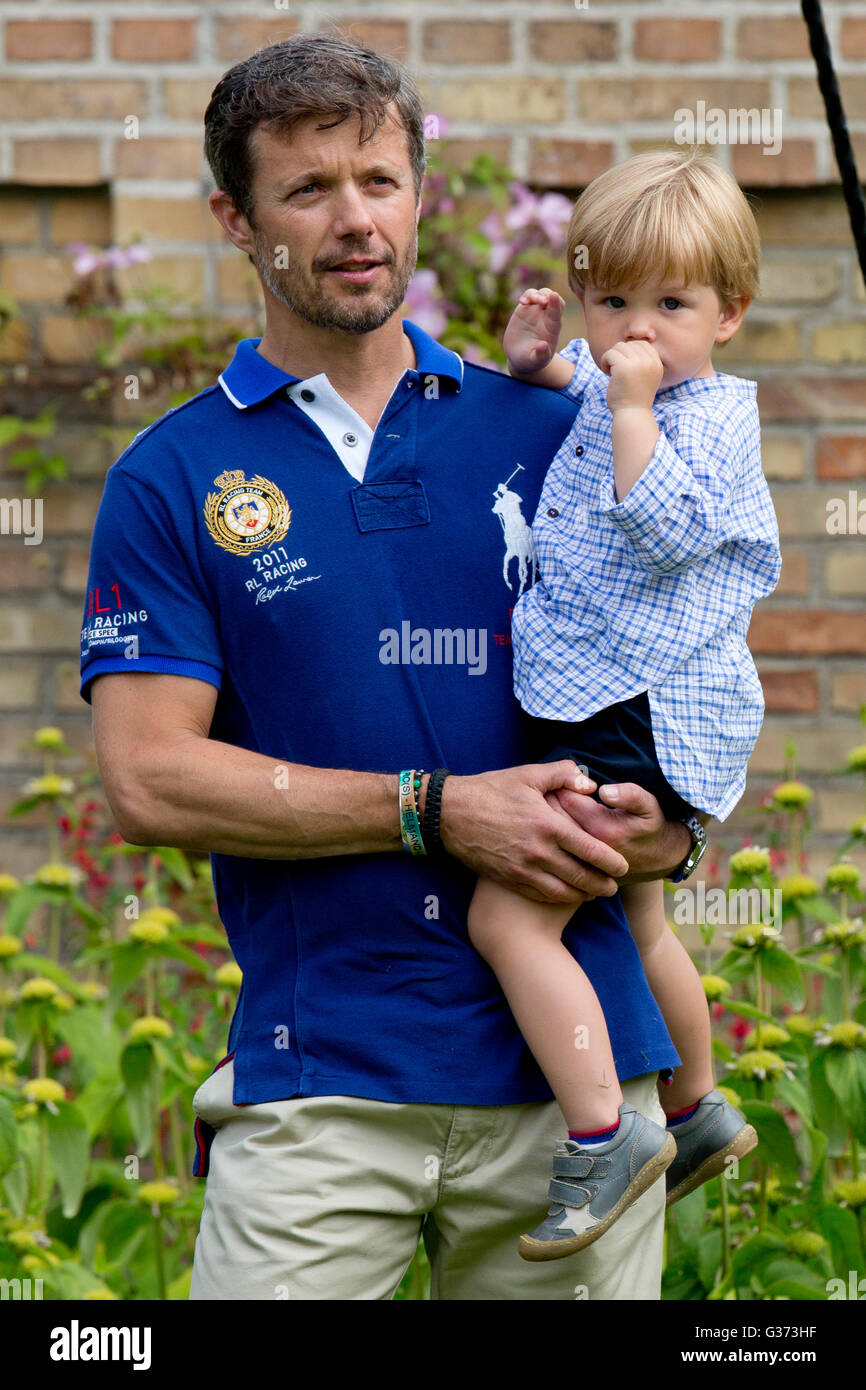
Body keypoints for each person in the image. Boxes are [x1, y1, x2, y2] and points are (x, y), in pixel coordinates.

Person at [79, 34, 697, 1301]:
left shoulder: (554, 429)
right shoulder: (173, 475)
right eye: (306, 190)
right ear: (234, 218)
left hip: (572, 1097)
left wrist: (667, 827)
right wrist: (435, 808)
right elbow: (147, 783)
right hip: (320, 1091)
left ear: (419, 189)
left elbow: (681, 681)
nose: (353, 219)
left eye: (377, 178)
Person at [466, 151, 781, 1261]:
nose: (631, 330)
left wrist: (630, 400)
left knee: (507, 917)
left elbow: (660, 521)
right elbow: (590, 395)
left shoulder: (704, 419)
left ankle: (603, 1133)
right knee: (638, 916)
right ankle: (696, 1110)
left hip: (633, 707)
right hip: (612, 698)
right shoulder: (636, 385)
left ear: (727, 313)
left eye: (668, 304)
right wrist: (538, 363)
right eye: (609, 301)